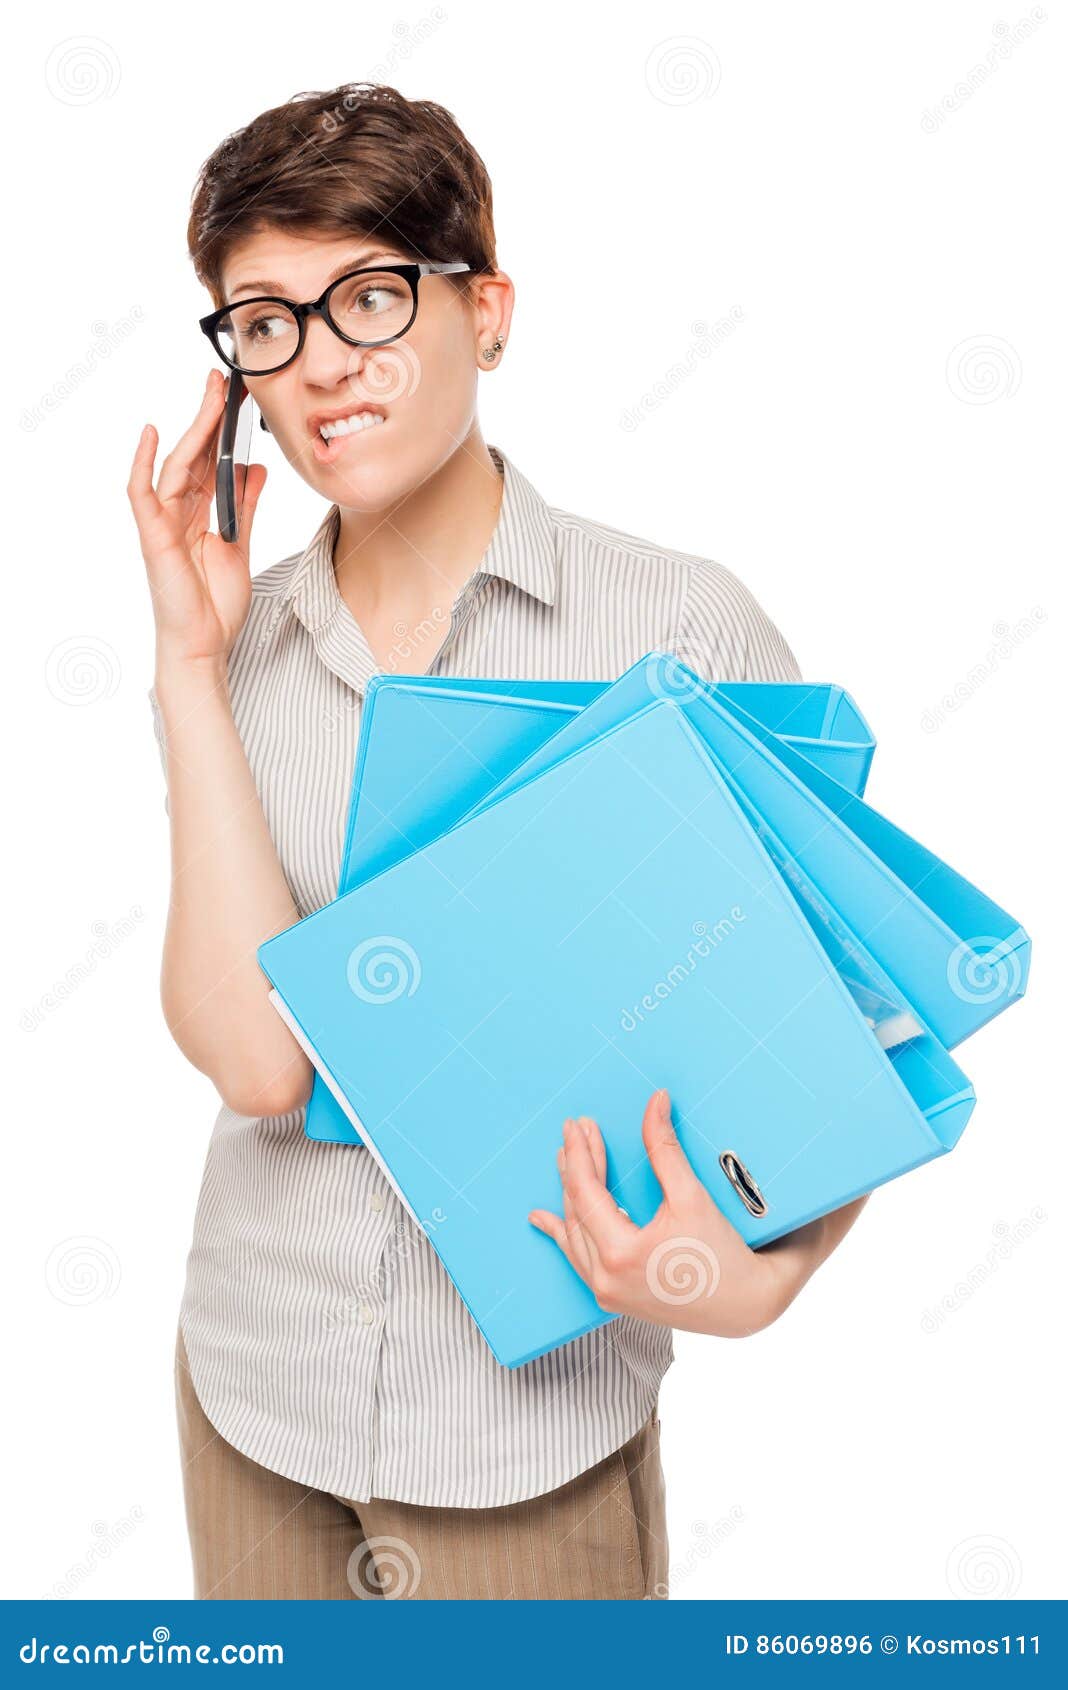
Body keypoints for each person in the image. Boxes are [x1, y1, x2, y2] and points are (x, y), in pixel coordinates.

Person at [128, 82, 866, 1602]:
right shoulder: (242, 652)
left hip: (526, 1432)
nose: (320, 365)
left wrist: (764, 1277)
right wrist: (189, 668)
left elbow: (842, 1031)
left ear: (489, 311)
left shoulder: (679, 628)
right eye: (262, 320)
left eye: (369, 299)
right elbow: (257, 1065)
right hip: (256, 1393)